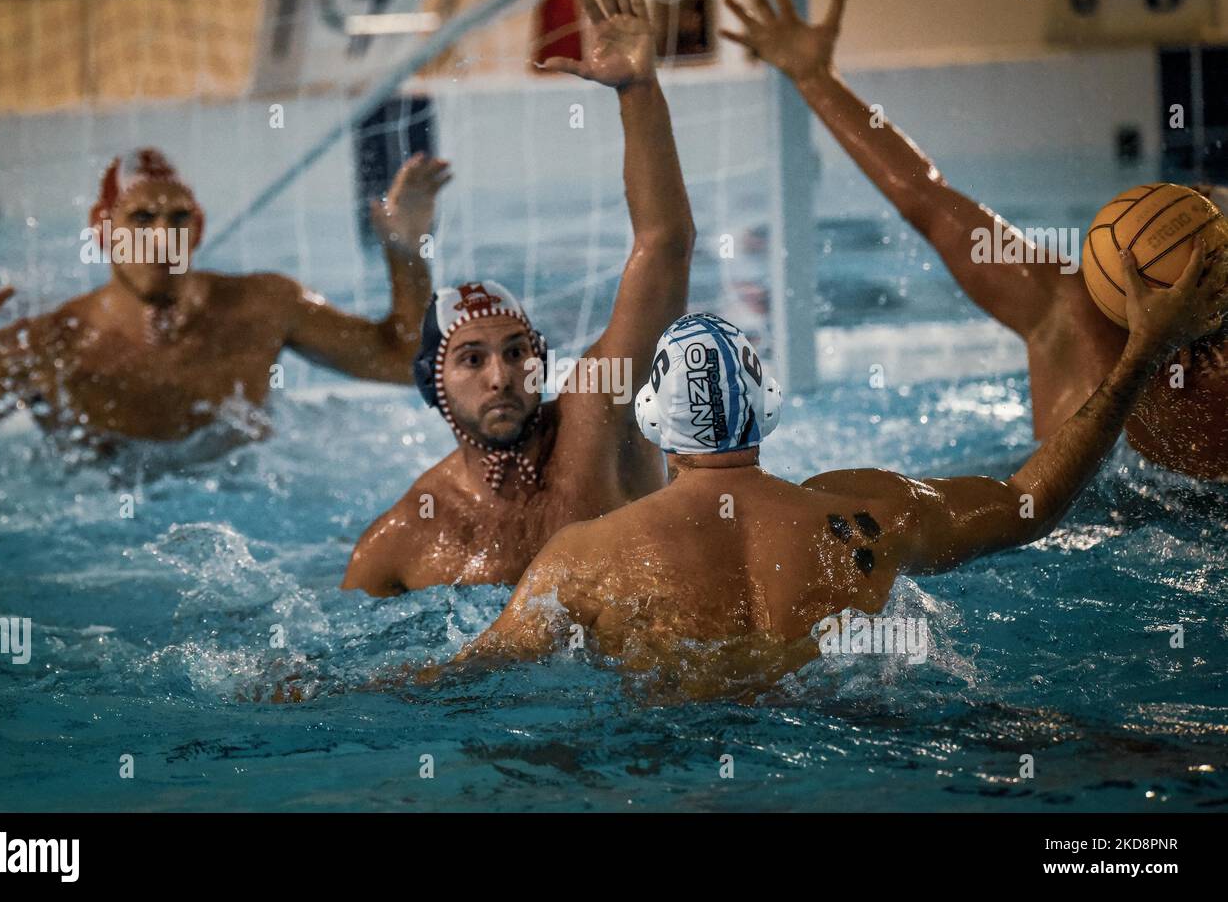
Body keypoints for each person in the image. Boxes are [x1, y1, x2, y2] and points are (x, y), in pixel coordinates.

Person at [451, 242, 1227, 688]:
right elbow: (1034, 500)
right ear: (769, 404)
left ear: (653, 422)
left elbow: (462, 684)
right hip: (866, 729)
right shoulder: (872, 512)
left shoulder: (584, 559)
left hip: (667, 768)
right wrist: (1144, 350)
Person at [719, 0, 1228, 481]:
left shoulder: (1065, 309)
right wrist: (815, 77)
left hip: (1037, 522)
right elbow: (926, 199)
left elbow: (924, 197)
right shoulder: (1069, 308)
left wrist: (815, 79)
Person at [341, 0, 694, 595]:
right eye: (471, 359)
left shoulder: (598, 420)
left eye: (516, 353)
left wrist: (638, 89)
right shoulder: (404, 540)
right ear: (434, 385)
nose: (501, 376)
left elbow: (664, 247)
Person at [0, 148, 445, 452]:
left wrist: (406, 252)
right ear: (101, 229)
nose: (161, 237)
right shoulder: (50, 343)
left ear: (197, 228)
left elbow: (404, 363)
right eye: (142, 219)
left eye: (177, 219)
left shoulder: (264, 305)